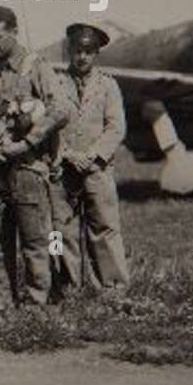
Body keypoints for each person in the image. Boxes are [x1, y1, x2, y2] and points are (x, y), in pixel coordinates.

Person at [0, 5, 71, 308]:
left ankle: (39, 301)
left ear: (13, 32)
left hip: (27, 166)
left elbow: (60, 109)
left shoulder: (35, 67)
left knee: (35, 240)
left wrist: (27, 143)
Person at [49, 22, 130, 294]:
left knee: (104, 227)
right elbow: (48, 125)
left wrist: (93, 156)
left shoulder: (109, 86)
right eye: (76, 50)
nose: (82, 57)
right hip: (62, 169)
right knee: (59, 231)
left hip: (98, 168)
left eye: (88, 51)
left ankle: (112, 287)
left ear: (96, 54)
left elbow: (116, 127)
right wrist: (67, 154)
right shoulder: (54, 83)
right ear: (68, 51)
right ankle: (64, 286)